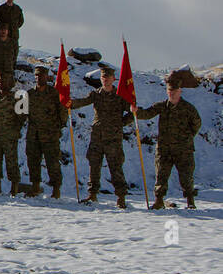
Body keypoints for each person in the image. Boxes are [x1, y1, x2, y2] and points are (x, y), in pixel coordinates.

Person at [135, 70, 201, 209]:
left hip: (183, 149)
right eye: (169, 90)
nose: (172, 93)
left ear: (180, 91)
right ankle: (159, 201)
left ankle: (190, 201)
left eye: (175, 91)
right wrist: (136, 111)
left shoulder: (188, 108)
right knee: (161, 175)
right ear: (167, 91)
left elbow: (196, 124)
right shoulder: (162, 106)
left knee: (186, 176)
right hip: (164, 149)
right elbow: (147, 113)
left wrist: (187, 138)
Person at [70, 63, 133, 207]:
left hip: (113, 138)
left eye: (108, 77)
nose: (105, 80)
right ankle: (92, 195)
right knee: (94, 165)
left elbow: (132, 111)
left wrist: (121, 123)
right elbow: (83, 101)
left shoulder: (119, 96)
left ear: (113, 79)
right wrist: (70, 103)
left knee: (116, 167)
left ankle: (121, 197)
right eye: (103, 77)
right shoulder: (96, 94)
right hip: (97, 136)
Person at [25, 65, 66, 198]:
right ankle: (35, 187)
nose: (38, 78)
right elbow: (23, 113)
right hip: (34, 134)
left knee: (52, 162)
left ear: (47, 77)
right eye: (36, 75)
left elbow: (63, 112)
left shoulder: (54, 93)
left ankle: (56, 189)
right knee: (33, 161)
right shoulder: (30, 94)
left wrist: (58, 127)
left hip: (50, 135)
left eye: (41, 75)